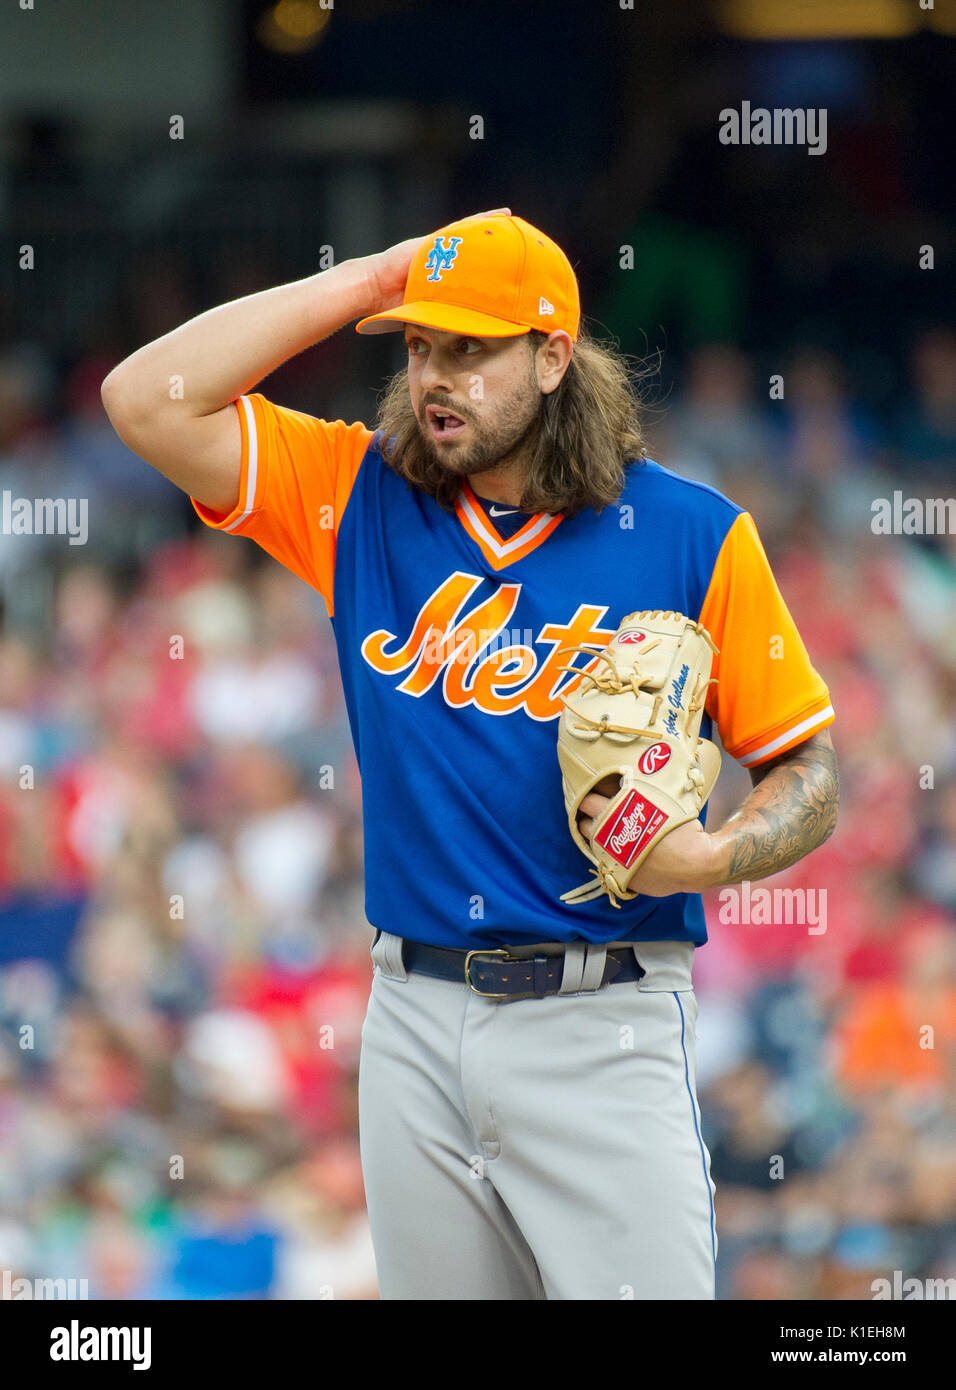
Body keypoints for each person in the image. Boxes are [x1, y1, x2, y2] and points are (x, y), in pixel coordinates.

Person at [101, 209, 839, 1300]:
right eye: (418, 346)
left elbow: (808, 771)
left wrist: (711, 857)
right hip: (411, 1012)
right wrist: (359, 283)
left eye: (469, 348)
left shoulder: (689, 534)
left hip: (604, 1015)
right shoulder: (361, 498)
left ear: (550, 358)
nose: (434, 375)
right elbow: (145, 401)